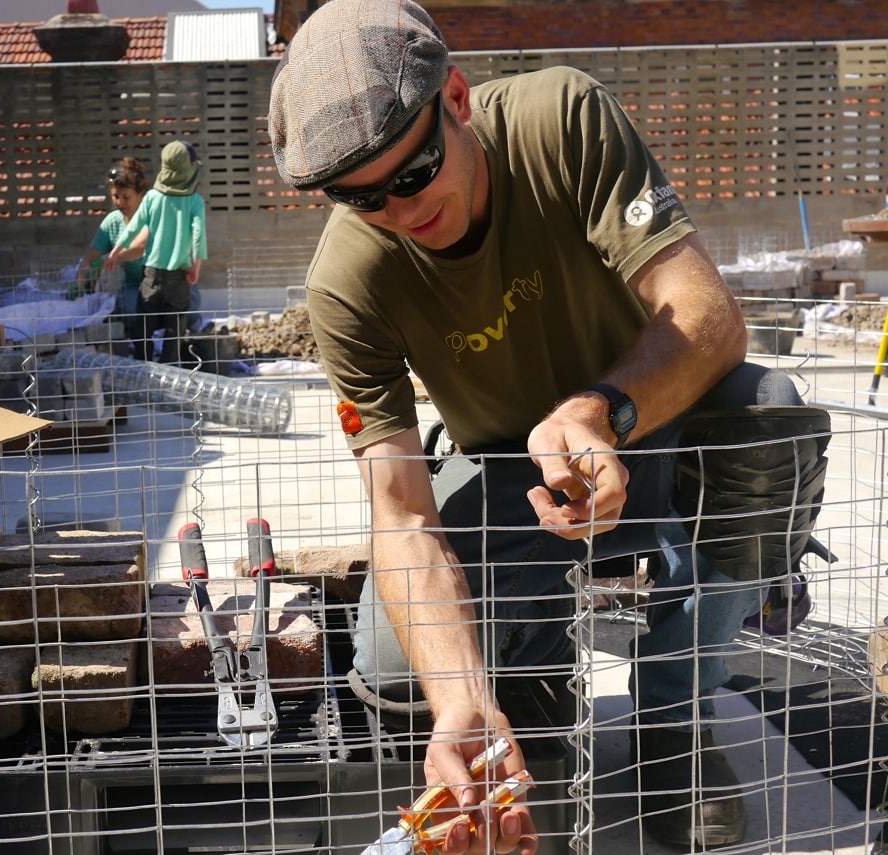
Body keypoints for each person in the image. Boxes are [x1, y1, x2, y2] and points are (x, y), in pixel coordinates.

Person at [268, 1, 826, 852]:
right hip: (505, 477)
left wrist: (604, 409)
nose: (398, 210)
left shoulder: (559, 122)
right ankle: (521, 716)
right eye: (359, 196)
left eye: (414, 173)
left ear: (455, 98)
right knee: (391, 659)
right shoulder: (348, 282)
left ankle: (673, 711)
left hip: (657, 429)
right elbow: (403, 514)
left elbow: (709, 315)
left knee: (771, 423)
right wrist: (457, 695)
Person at [106, 141, 207, 364]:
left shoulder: (152, 197)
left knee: (143, 327)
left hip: (151, 275)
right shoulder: (195, 201)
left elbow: (133, 227)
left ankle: (144, 368)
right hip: (179, 276)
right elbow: (199, 237)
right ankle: (169, 371)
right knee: (175, 330)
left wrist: (115, 251)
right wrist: (195, 269)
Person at [76, 157, 150, 353]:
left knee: (186, 311)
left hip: (164, 282)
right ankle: (141, 352)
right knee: (129, 311)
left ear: (141, 195)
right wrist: (80, 286)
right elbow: (88, 260)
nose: (119, 202)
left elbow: (141, 247)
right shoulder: (112, 222)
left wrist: (111, 258)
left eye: (126, 197)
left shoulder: (152, 216)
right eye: (116, 196)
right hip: (136, 284)